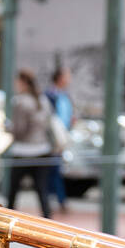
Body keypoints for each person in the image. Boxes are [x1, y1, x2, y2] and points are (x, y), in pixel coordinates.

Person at [5, 68, 53, 219]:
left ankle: (6, 221)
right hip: (43, 149)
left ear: (23, 82)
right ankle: (48, 221)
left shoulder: (20, 102)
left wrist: (7, 127)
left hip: (23, 151)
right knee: (42, 191)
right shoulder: (43, 100)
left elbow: (19, 129)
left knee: (13, 191)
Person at [45, 67, 74, 211]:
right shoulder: (50, 95)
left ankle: (54, 199)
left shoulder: (64, 95)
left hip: (62, 137)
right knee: (54, 169)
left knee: (54, 169)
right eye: (66, 76)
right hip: (54, 138)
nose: (69, 79)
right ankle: (59, 200)